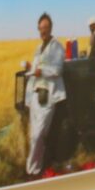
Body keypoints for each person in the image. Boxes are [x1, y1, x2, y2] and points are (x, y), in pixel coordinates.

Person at [20, 13, 66, 180]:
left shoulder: (57, 47)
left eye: (45, 28)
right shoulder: (38, 48)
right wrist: (30, 66)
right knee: (34, 134)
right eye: (40, 28)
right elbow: (35, 69)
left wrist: (41, 71)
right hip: (35, 95)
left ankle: (33, 169)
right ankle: (33, 169)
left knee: (39, 134)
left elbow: (58, 69)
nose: (43, 31)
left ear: (51, 28)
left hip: (47, 96)